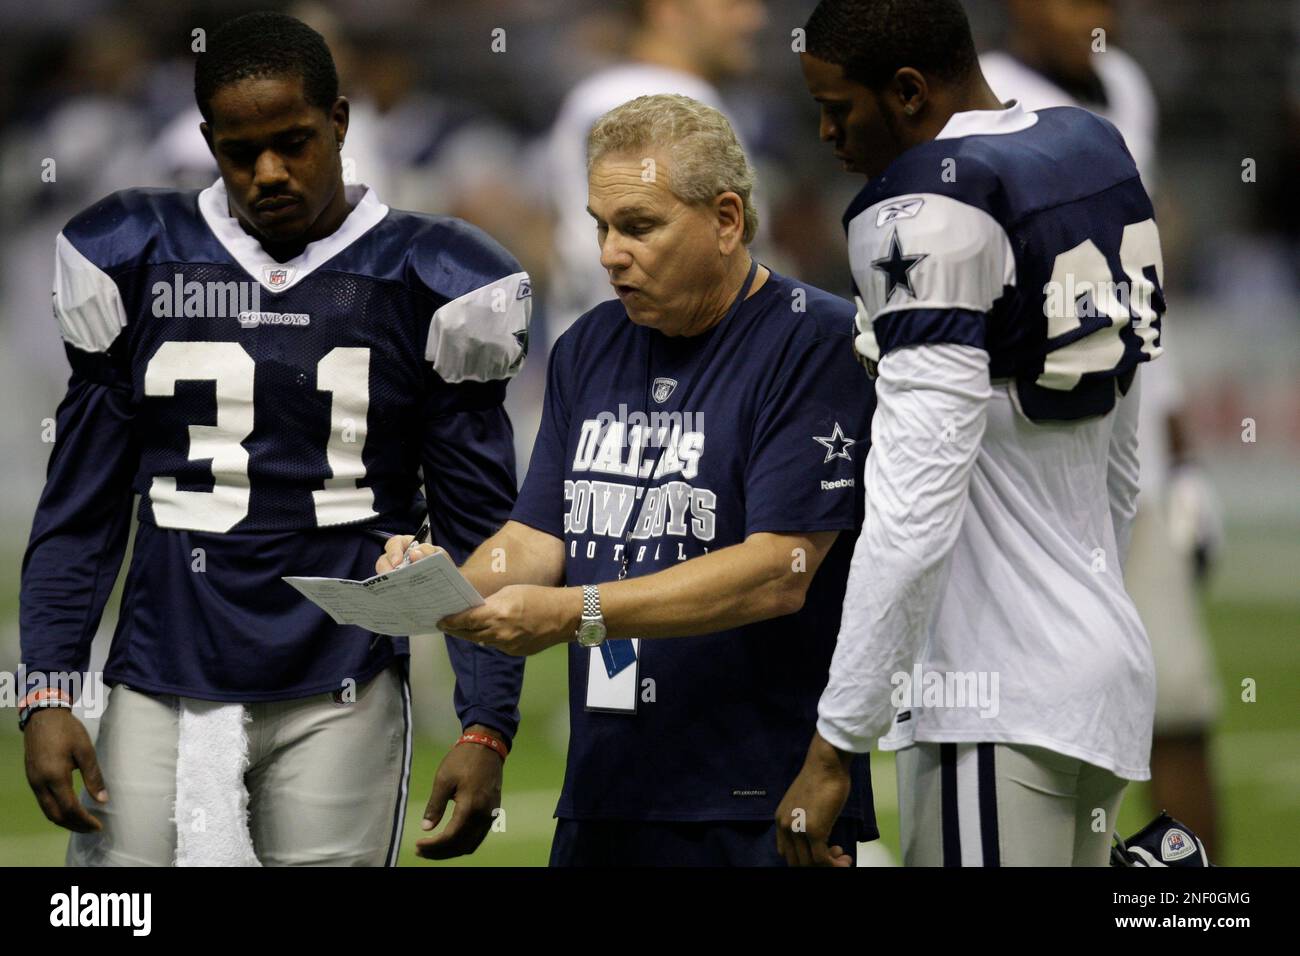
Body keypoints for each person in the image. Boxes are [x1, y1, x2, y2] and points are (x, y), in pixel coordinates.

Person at [19, 11, 530, 866]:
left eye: (294, 141)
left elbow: (478, 526)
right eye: (239, 149)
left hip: (344, 676)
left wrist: (486, 725)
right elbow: (82, 507)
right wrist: (46, 689)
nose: (268, 173)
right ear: (207, 141)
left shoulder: (435, 278)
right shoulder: (136, 254)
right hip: (160, 669)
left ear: (339, 121)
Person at [380, 93, 877, 867]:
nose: (610, 253)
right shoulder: (590, 344)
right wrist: (444, 583)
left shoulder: (813, 341)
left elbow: (778, 572)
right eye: (601, 226)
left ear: (726, 220)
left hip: (758, 794)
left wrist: (573, 613)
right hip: (606, 787)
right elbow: (539, 534)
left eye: (639, 226)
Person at [778, 0, 1166, 866]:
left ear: (908, 91)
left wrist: (836, 741)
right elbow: (1123, 458)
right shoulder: (1091, 147)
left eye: (839, 106)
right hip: (1097, 670)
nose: (827, 131)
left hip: (988, 693)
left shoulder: (925, 207)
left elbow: (913, 508)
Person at [981, 0, 1222, 852]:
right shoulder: (986, 100)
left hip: (1138, 449)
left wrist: (1184, 453)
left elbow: (1147, 294)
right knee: (1052, 726)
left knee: (1182, 705)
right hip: (1038, 464)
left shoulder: (1126, 84)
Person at [542, 0, 767, 348]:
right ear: (669, 11)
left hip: (625, 361)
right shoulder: (649, 101)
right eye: (732, 6)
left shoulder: (608, 94)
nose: (754, 19)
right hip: (653, 363)